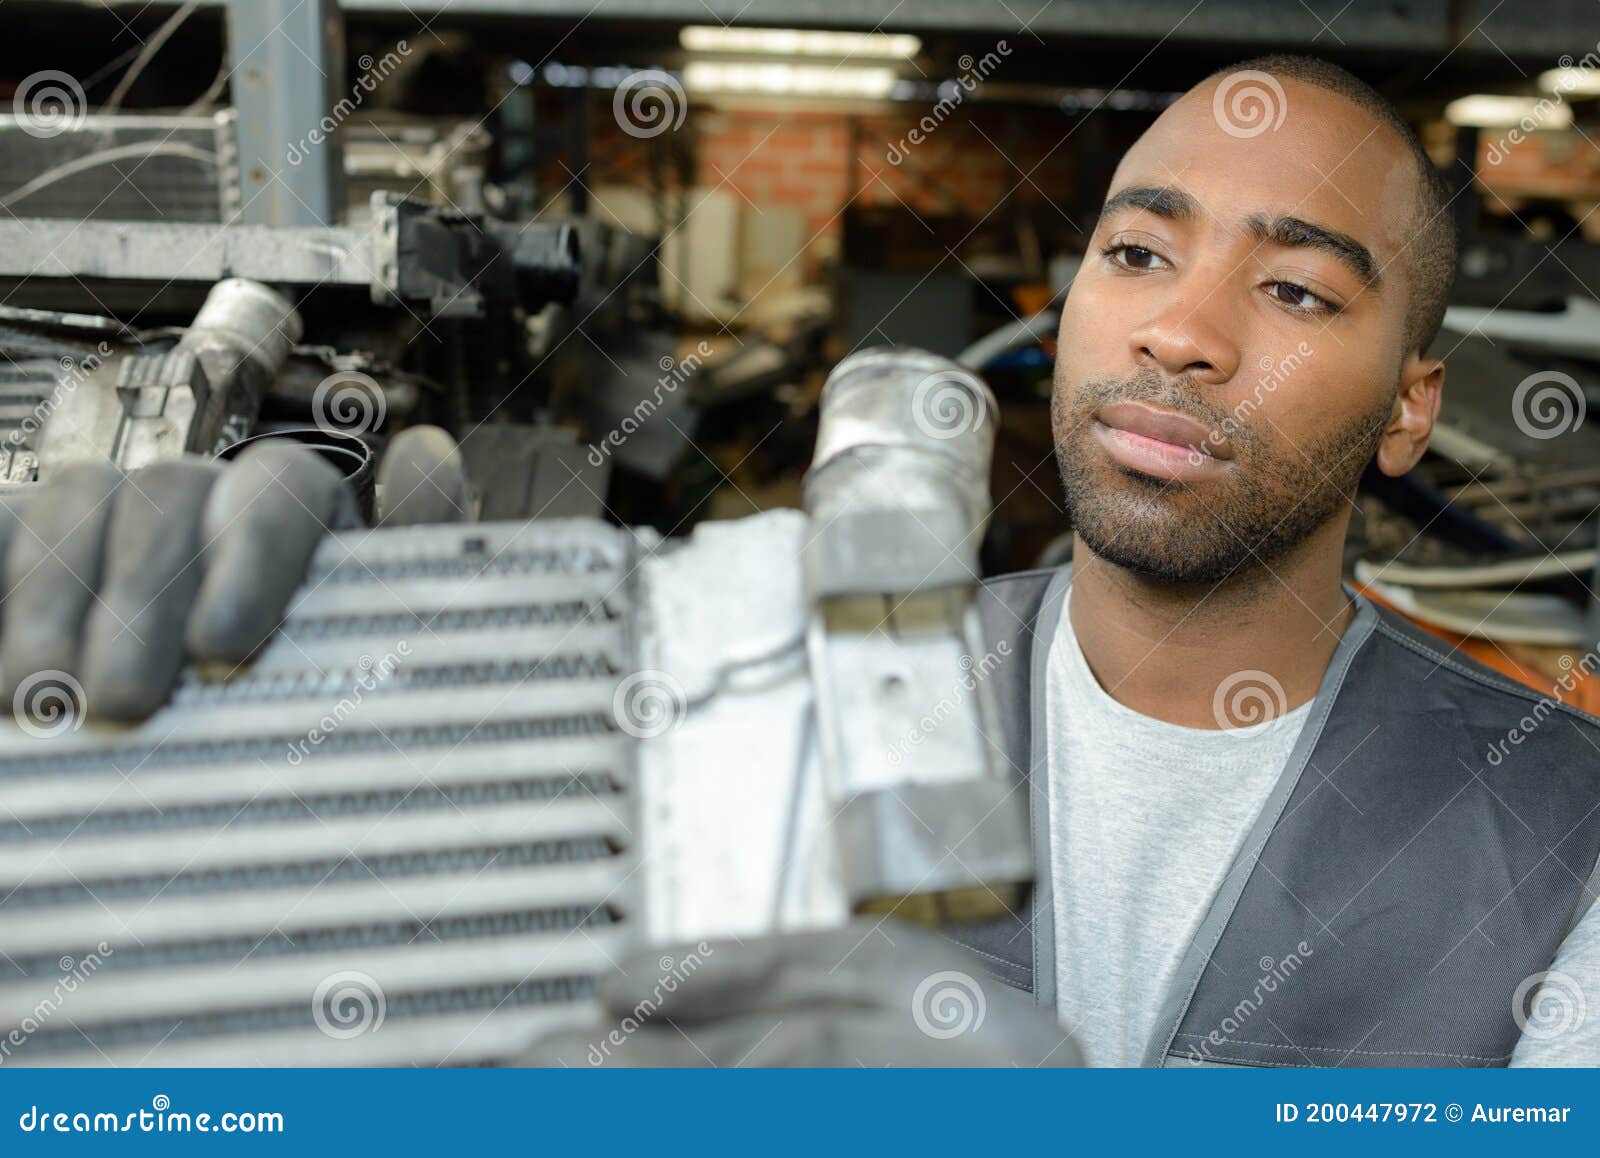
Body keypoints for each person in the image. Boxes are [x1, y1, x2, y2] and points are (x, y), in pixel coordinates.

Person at [2, 55, 1595, 1068]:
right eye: (1136, 249)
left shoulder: (1560, 834)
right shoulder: (728, 695)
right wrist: (182, 825)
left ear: (1413, 408)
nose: (1181, 329)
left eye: (1301, 292)